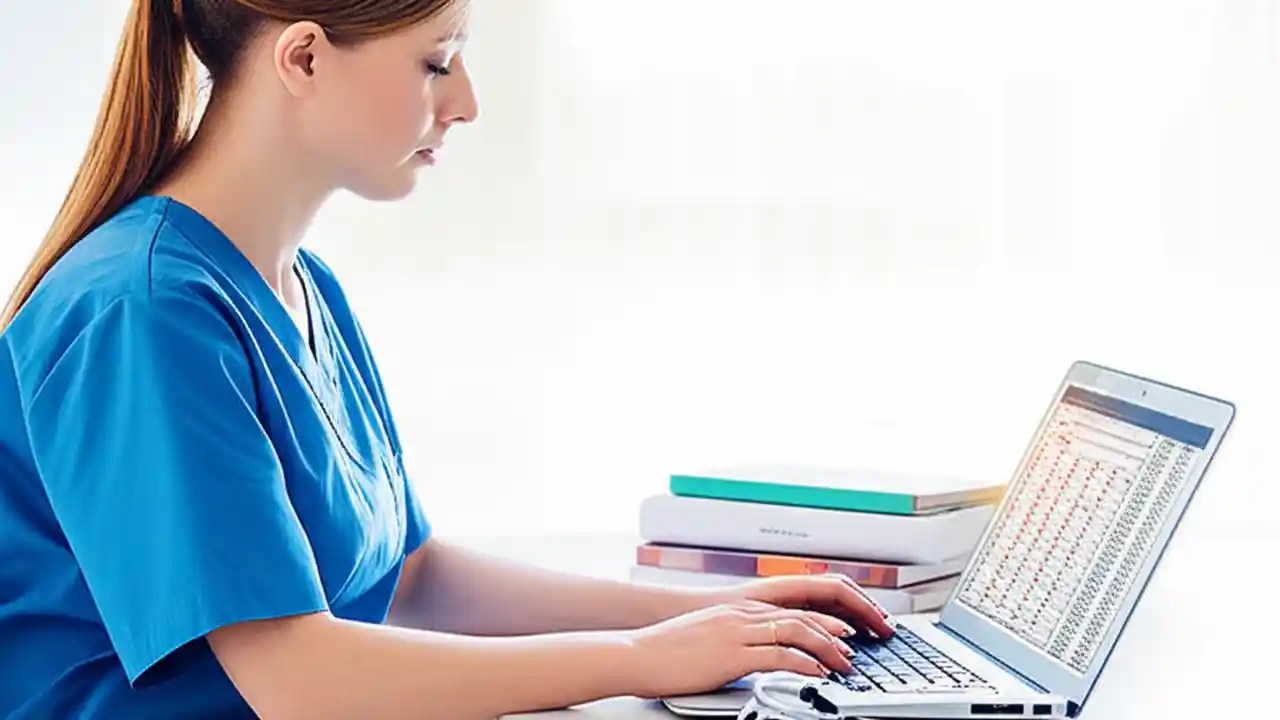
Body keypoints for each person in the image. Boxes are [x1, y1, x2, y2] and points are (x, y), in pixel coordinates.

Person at [0, 1, 893, 717]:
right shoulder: (145, 311)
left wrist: (707, 617)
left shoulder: (299, 285)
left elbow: (414, 580)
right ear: (303, 59)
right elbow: (297, 680)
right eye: (437, 59)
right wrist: (636, 660)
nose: (465, 101)